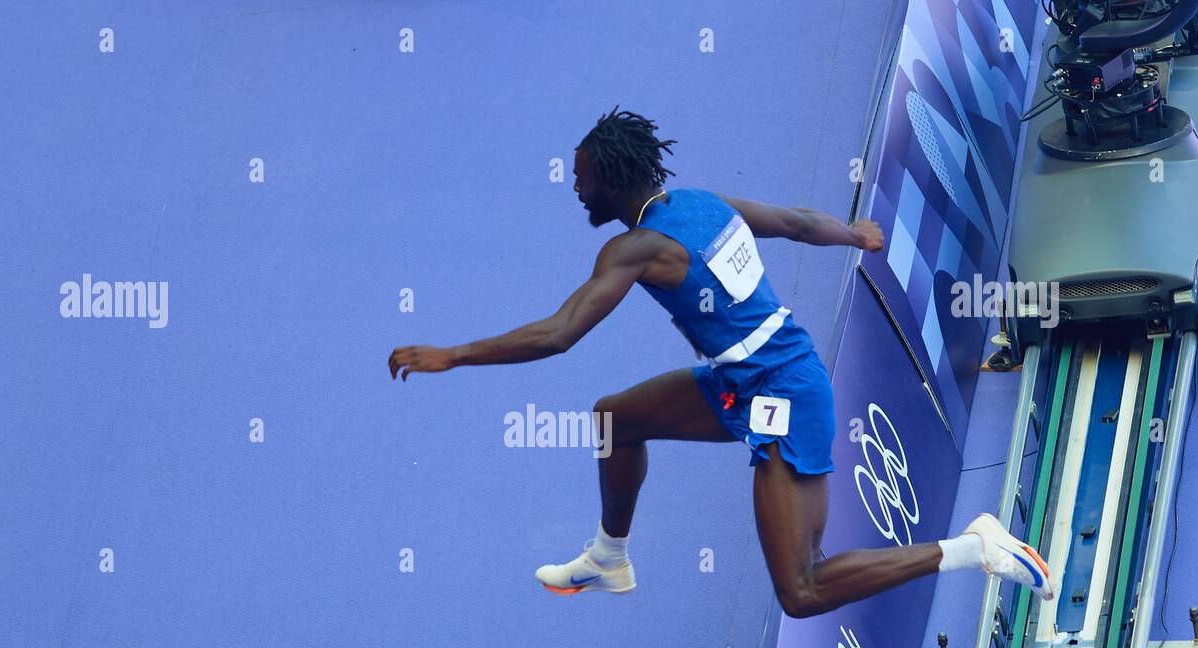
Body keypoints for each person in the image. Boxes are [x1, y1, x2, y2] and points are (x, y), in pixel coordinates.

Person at [388, 107, 1054, 618]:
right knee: (616, 419)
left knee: (802, 587)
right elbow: (793, 222)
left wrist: (453, 355)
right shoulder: (701, 203)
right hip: (744, 381)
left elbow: (561, 333)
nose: (576, 190)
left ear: (613, 182)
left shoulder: (638, 250)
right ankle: (608, 556)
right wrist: (851, 233)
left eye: (582, 180)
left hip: (784, 394)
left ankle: (972, 549)